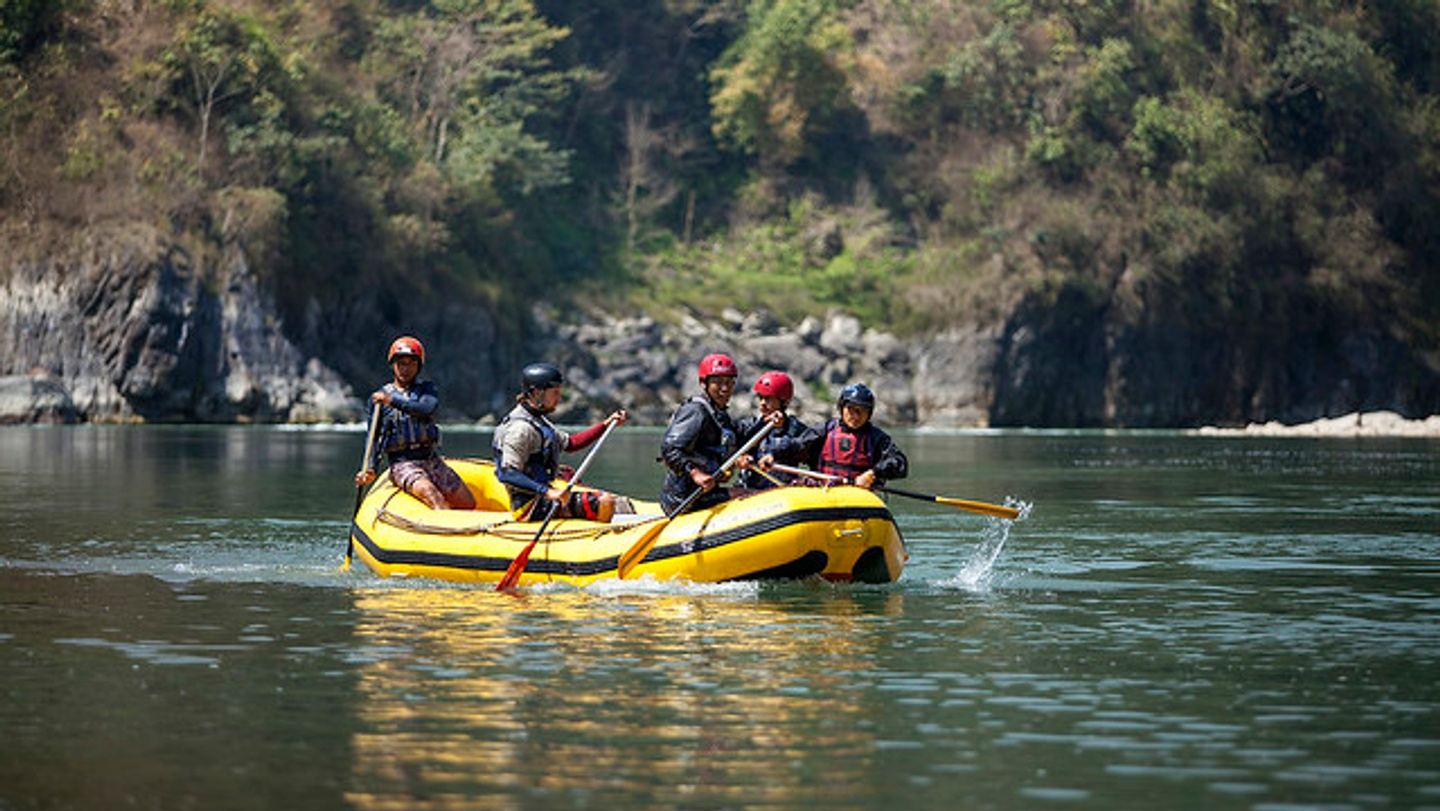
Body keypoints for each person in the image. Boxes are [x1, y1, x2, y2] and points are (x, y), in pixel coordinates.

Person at [493, 362, 629, 522]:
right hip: (528, 506)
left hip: (543, 496)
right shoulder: (520, 429)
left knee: (617, 502)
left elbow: (571, 444)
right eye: (555, 393)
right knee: (605, 502)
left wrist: (606, 424)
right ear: (536, 393)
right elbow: (507, 473)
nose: (559, 398)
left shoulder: (538, 421)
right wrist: (547, 492)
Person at [355, 336, 476, 510]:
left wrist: (392, 401)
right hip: (402, 464)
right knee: (433, 496)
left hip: (431, 460)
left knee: (468, 503)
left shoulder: (426, 390)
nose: (406, 368)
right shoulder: (378, 399)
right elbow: (373, 438)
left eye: (411, 363)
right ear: (393, 365)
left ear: (418, 366)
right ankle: (445, 529)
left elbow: (427, 409)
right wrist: (370, 469)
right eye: (401, 363)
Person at [659, 353, 781, 515]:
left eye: (729, 383)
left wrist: (766, 421)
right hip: (684, 498)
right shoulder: (696, 411)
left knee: (752, 493)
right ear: (704, 383)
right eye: (718, 383)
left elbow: (740, 437)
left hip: (705, 493)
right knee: (752, 496)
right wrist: (695, 473)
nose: (725, 388)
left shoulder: (719, 414)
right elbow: (670, 448)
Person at [805, 383, 908, 489]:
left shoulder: (877, 438)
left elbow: (900, 463)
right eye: (851, 409)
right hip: (822, 492)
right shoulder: (824, 430)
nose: (856, 416)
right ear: (841, 408)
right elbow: (797, 446)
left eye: (862, 411)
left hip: (859, 496)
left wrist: (873, 474)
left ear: (869, 413)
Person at [739, 370, 820, 490]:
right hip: (750, 489)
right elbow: (736, 449)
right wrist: (743, 458)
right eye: (760, 398)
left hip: (783, 492)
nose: (762, 403)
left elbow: (813, 455)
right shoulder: (750, 425)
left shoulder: (797, 429)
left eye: (768, 399)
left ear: (784, 401)